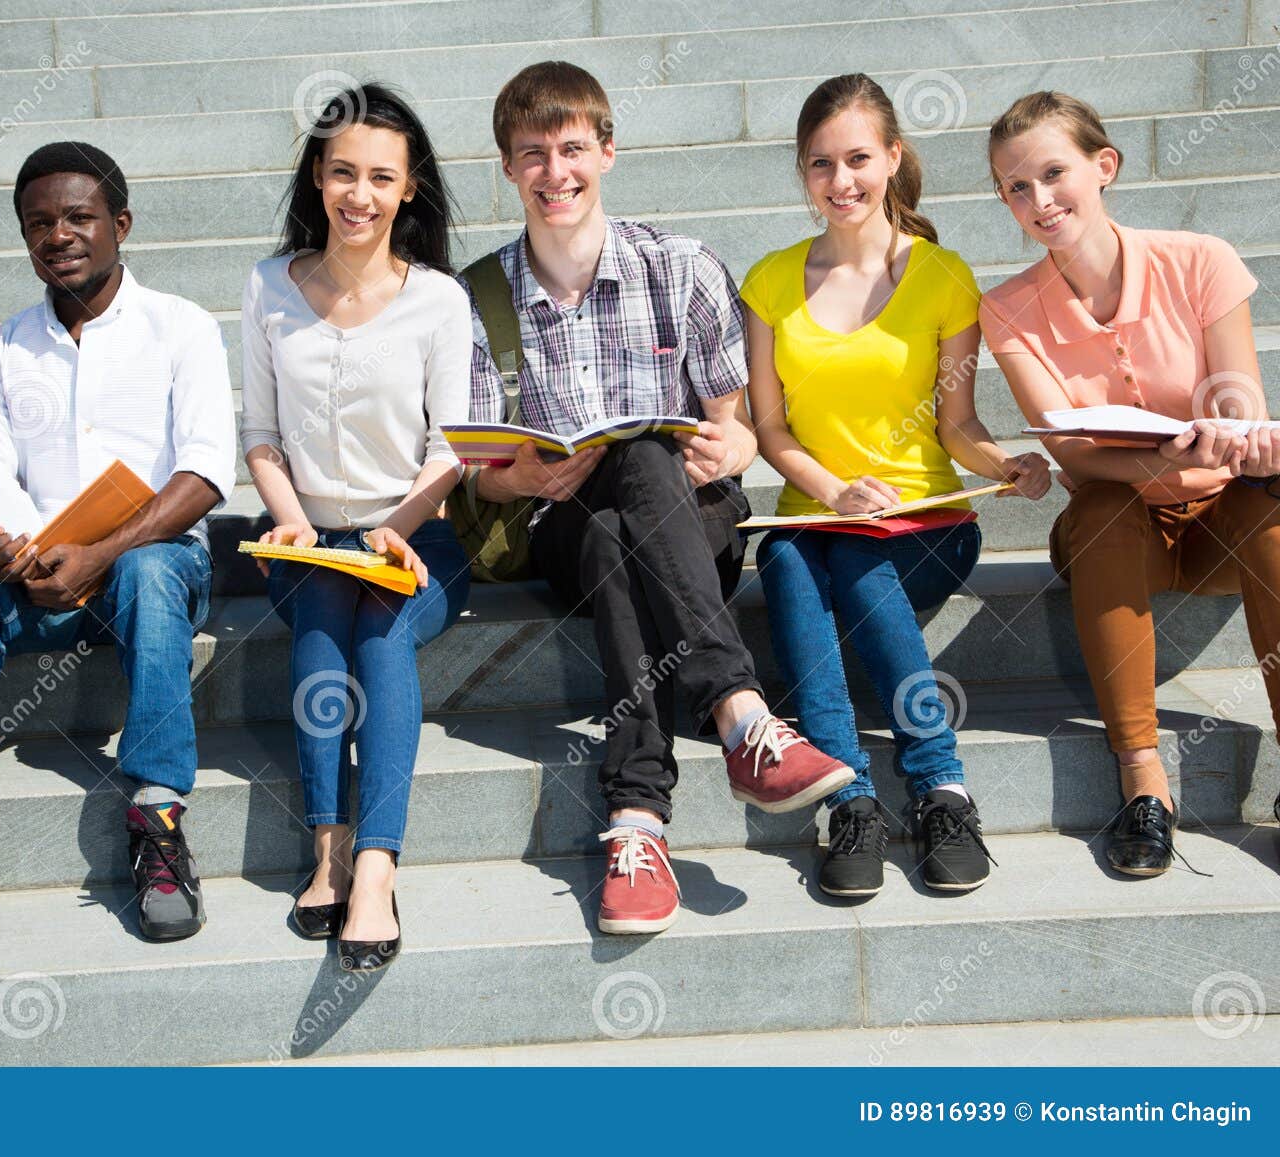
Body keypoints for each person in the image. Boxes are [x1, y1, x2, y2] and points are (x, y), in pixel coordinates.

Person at [465, 61, 854, 936]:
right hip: (555, 519)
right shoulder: (480, 296)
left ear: (607, 150)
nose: (554, 172)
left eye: (571, 149)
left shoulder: (680, 267)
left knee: (637, 481)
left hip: (691, 520)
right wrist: (522, 475)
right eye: (532, 154)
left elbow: (740, 429)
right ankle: (743, 719)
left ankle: (636, 820)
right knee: (602, 518)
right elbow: (482, 470)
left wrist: (736, 443)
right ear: (507, 167)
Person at [0, 142, 236, 954]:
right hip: (38, 579)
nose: (59, 235)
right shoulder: (2, 350)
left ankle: (157, 814)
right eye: (39, 223)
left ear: (120, 224)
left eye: (79, 217)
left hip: (148, 578)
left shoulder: (181, 328)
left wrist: (101, 554)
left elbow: (203, 475)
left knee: (152, 564)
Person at [744, 75, 1051, 899]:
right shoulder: (770, 282)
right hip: (823, 519)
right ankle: (853, 798)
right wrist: (837, 491)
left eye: (857, 159)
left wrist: (1007, 467)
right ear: (802, 173)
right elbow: (771, 434)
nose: (841, 181)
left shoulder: (944, 276)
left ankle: (937, 782)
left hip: (928, 526)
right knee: (790, 555)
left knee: (861, 568)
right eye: (821, 164)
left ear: (892, 159)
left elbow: (957, 425)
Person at [981, 91, 1279, 875]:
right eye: (1016, 186)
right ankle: (1143, 780)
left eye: (1054, 173)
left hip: (1221, 519)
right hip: (1117, 535)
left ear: (1103, 166)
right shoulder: (1006, 310)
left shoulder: (1200, 260)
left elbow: (1240, 397)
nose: (1039, 200)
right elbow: (1073, 454)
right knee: (1106, 507)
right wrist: (1169, 459)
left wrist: (1233, 433)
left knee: (1275, 512)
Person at [243, 84, 471, 972]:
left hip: (417, 538)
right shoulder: (268, 285)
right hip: (304, 538)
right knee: (323, 613)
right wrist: (295, 521)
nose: (360, 195)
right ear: (316, 175)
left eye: (381, 177)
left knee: (379, 630)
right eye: (342, 173)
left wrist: (398, 525)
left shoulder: (439, 301)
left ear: (409, 189)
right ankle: (326, 845)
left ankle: (372, 865)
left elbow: (452, 448)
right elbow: (259, 437)